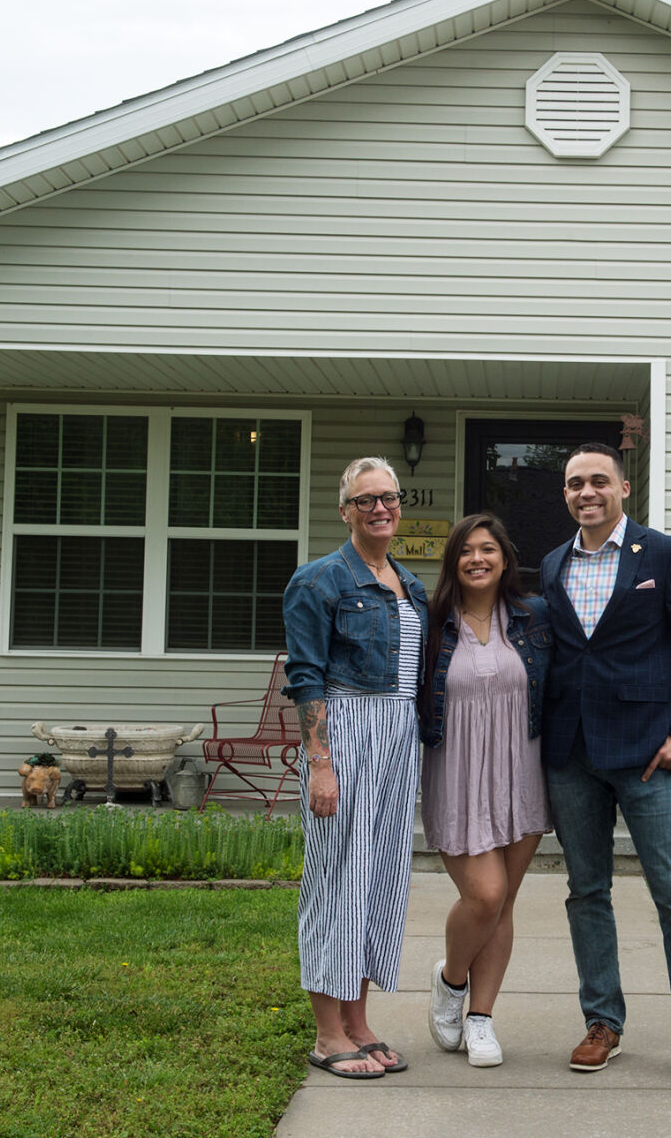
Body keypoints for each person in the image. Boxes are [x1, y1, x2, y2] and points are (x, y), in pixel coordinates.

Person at [539, 442, 671, 1093]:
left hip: (649, 753)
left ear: (623, 488)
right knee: (586, 890)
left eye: (598, 480)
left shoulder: (664, 555)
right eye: (574, 483)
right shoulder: (550, 564)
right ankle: (602, 1022)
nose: (586, 491)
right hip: (571, 755)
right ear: (565, 494)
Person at [281, 456, 428, 1081]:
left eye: (388, 498)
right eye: (365, 500)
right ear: (345, 511)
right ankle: (326, 1032)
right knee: (335, 879)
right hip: (345, 733)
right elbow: (306, 677)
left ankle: (359, 1021)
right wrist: (320, 762)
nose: (379, 509)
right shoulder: (318, 581)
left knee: (379, 880)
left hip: (398, 737)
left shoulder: (410, 583)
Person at [418, 514, 553, 1068]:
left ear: (505, 558)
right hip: (456, 775)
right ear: (454, 561)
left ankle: (481, 1019)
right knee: (486, 895)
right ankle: (450, 982)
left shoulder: (534, 617)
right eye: (467, 550)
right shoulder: (430, 624)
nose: (478, 558)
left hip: (521, 773)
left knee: (505, 903)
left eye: (489, 549)